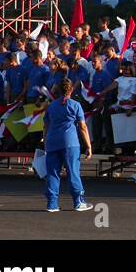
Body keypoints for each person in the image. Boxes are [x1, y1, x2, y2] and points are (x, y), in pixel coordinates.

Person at [41, 79, 94, 212]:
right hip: (70, 143)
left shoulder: (51, 106)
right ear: (71, 90)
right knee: (73, 172)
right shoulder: (75, 105)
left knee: (52, 173)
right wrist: (88, 145)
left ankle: (52, 204)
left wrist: (45, 141)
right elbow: (82, 126)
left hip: (52, 142)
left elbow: (45, 126)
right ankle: (78, 202)